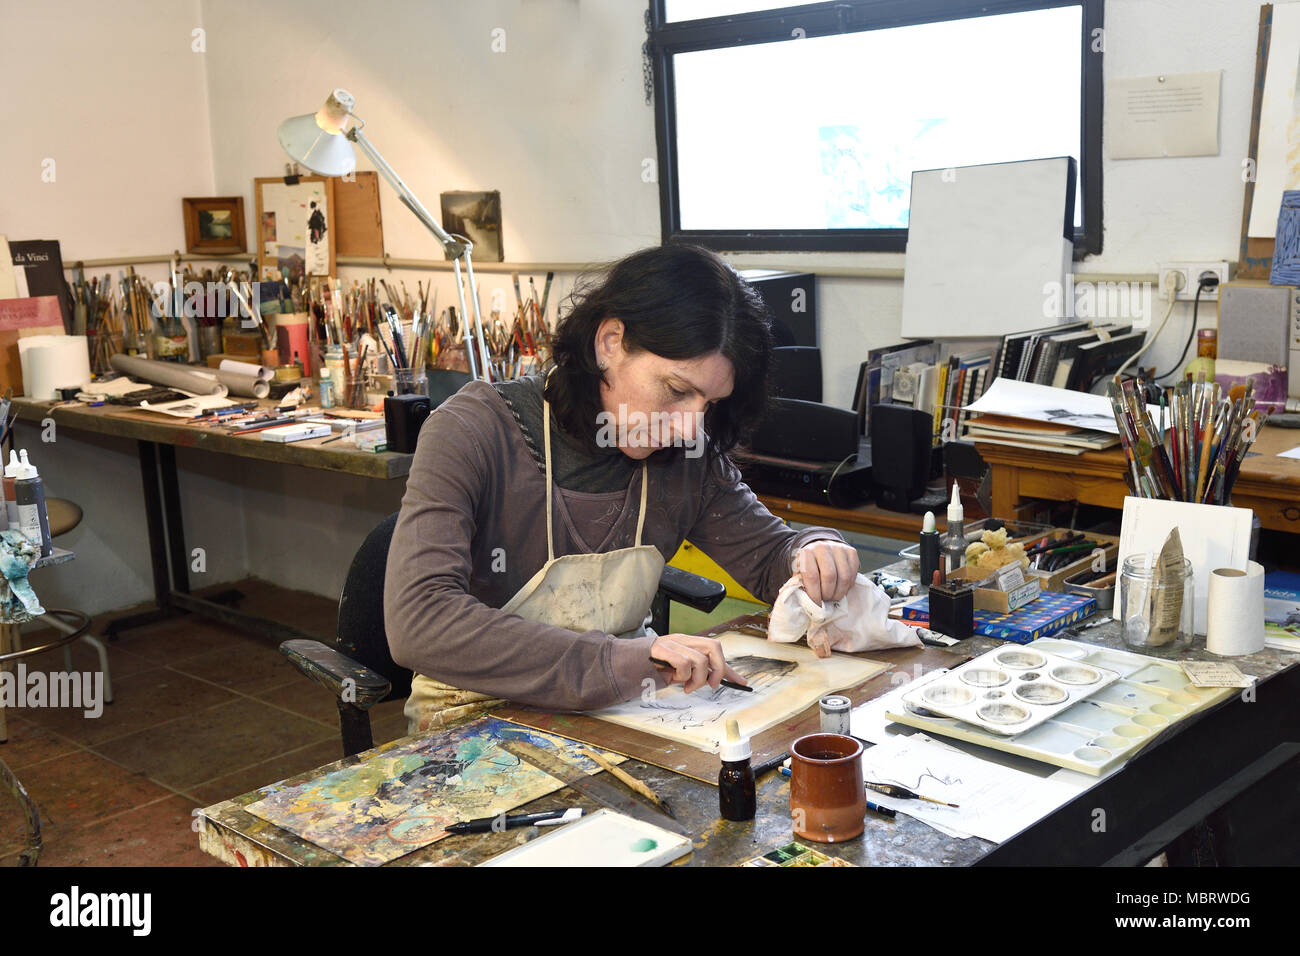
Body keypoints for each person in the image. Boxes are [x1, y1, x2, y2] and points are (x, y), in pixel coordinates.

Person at [385, 244, 859, 734]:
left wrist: (813, 551)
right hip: (476, 715)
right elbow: (420, 622)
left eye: (709, 403)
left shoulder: (686, 455)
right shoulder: (473, 431)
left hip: (624, 709)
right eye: (675, 391)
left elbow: (768, 558)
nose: (689, 428)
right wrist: (622, 660)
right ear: (610, 341)